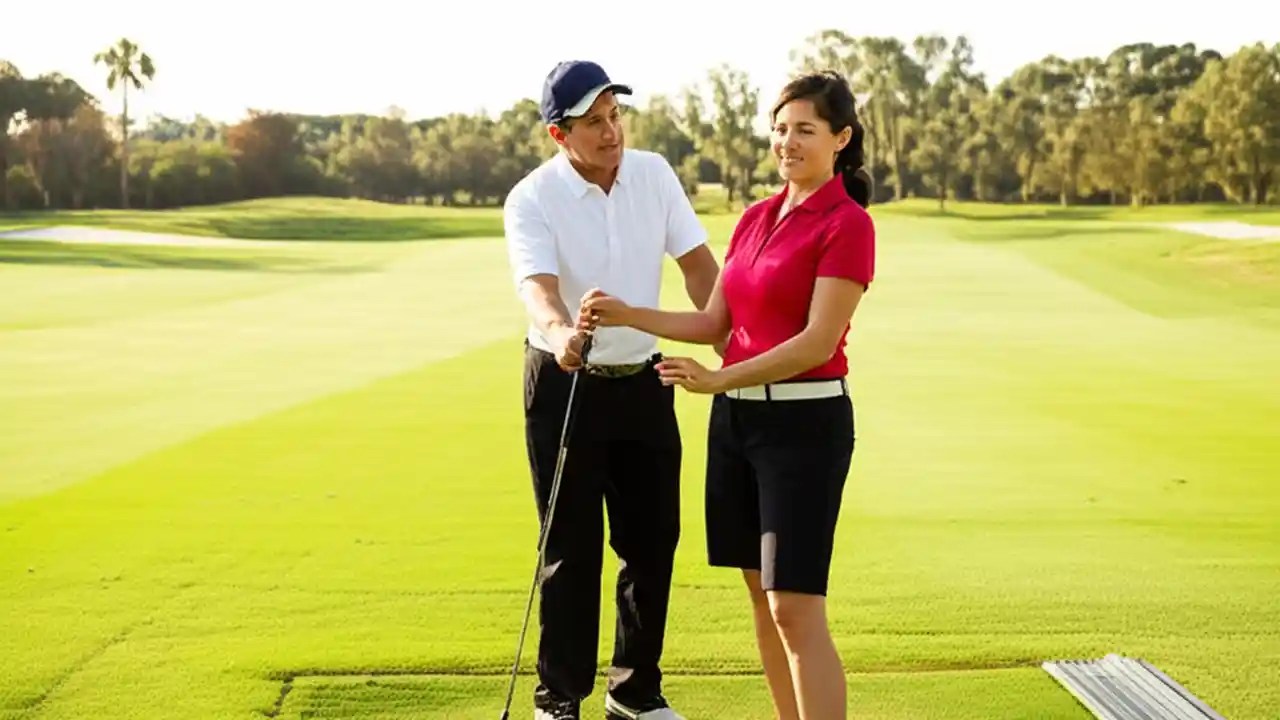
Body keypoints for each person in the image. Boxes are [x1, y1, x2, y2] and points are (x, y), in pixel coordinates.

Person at [578, 69, 876, 720]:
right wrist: (630, 313)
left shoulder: (848, 224)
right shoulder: (756, 217)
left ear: (840, 139)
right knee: (764, 604)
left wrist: (716, 379)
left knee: (795, 606)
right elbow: (716, 324)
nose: (787, 141)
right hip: (738, 428)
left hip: (804, 428)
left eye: (805, 130)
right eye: (780, 129)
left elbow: (817, 342)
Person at [502, 59, 720, 720]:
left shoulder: (653, 174)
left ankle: (634, 692)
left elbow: (700, 269)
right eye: (592, 122)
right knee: (570, 548)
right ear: (558, 134)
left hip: (643, 381)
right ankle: (558, 699)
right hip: (566, 383)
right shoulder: (532, 197)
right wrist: (562, 332)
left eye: (614, 116)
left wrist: (734, 343)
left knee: (653, 542)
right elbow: (537, 290)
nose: (610, 132)